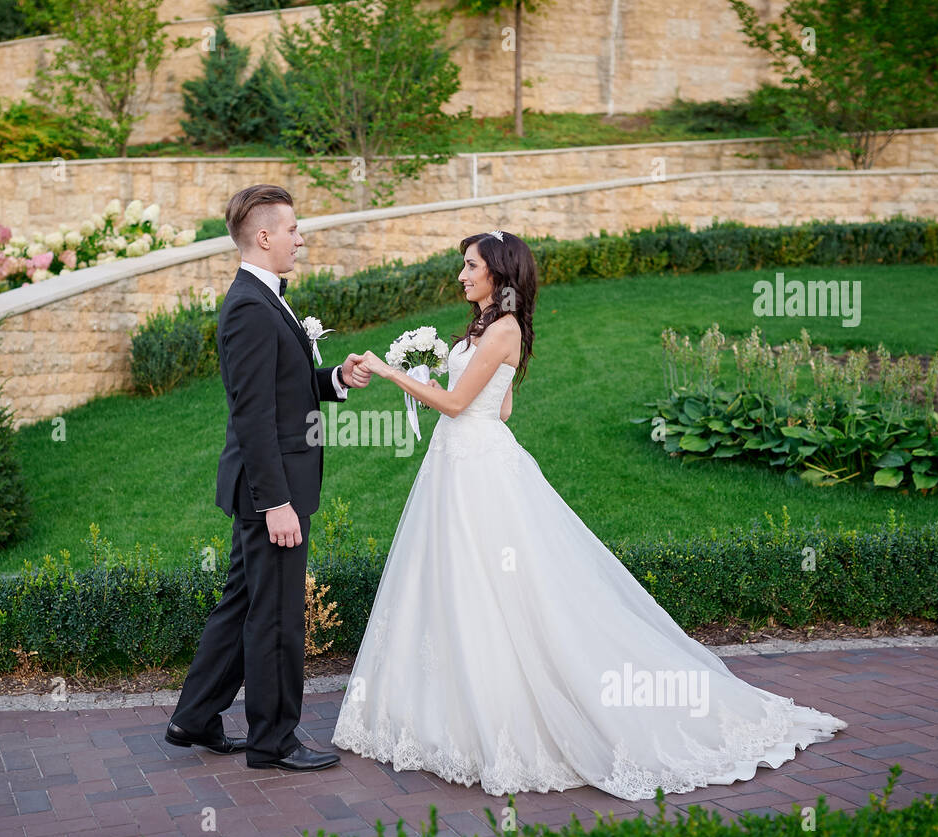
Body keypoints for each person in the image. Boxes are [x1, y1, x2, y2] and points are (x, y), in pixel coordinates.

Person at [330, 229, 847, 800]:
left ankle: (503, 710)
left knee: (497, 584)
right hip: (461, 461)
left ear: (498, 272)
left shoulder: (503, 329)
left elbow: (456, 406)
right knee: (455, 578)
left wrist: (394, 373)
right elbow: (499, 407)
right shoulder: (486, 327)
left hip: (477, 468)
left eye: (470, 266)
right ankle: (443, 707)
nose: (461, 275)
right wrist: (440, 382)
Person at [166, 184, 372, 771]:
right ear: (264, 237)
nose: (300, 239)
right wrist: (276, 502)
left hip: (268, 486)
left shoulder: (264, 299)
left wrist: (335, 379)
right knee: (276, 615)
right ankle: (273, 740)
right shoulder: (251, 309)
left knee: (242, 603)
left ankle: (194, 717)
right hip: (271, 492)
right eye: (293, 230)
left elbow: (284, 391)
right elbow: (252, 416)